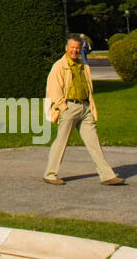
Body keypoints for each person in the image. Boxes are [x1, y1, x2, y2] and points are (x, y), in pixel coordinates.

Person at [43, 34, 124, 185]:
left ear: (81, 49)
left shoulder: (83, 66)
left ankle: (107, 175)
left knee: (94, 143)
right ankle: (50, 174)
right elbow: (54, 90)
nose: (74, 50)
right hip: (69, 107)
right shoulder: (59, 66)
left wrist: (89, 106)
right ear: (66, 48)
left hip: (85, 107)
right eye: (72, 47)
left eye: (77, 48)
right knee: (61, 142)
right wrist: (63, 108)